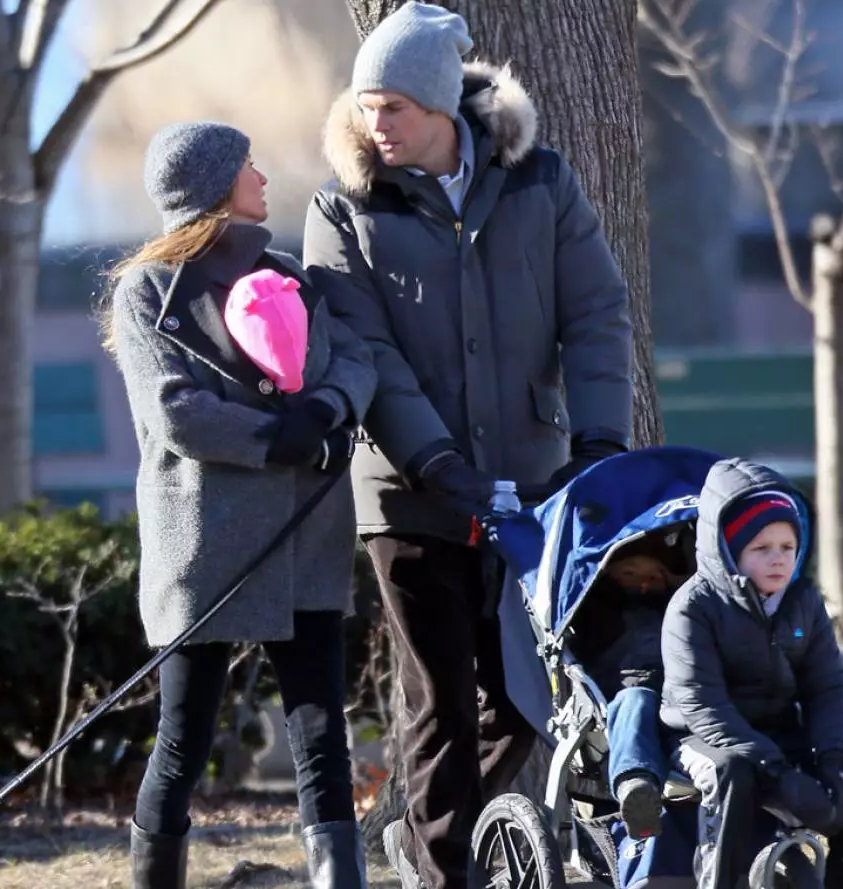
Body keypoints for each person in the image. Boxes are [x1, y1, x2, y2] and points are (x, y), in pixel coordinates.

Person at [302, 3, 634, 886]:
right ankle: (446, 868)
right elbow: (363, 349)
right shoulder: (343, 207)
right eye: (366, 107)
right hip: (408, 494)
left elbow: (597, 313)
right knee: (439, 700)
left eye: (394, 108)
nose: (376, 126)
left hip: (531, 484)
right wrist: (434, 460)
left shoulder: (540, 182)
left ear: (443, 103)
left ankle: (426, 838)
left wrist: (599, 440)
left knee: (526, 700)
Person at [104, 120, 378, 889]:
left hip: (305, 535)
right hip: (206, 542)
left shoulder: (288, 271)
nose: (261, 175)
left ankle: (340, 879)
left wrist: (323, 411)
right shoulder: (146, 292)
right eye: (247, 165)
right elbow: (175, 411)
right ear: (217, 186)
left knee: (322, 728)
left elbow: (356, 358)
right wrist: (279, 438)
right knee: (184, 736)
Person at [660, 457, 843, 889]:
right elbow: (701, 704)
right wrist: (777, 771)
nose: (777, 560)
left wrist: (835, 762)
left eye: (787, 548)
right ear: (728, 551)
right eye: (761, 549)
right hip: (701, 739)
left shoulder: (803, 600)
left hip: (781, 732)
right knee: (731, 770)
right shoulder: (692, 607)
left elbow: (827, 688)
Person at [570, 531, 690, 839]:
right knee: (636, 700)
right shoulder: (597, 611)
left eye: (654, 576)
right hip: (623, 694)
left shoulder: (682, 611)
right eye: (630, 574)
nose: (644, 584)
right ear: (609, 575)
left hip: (681, 693)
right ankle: (636, 784)